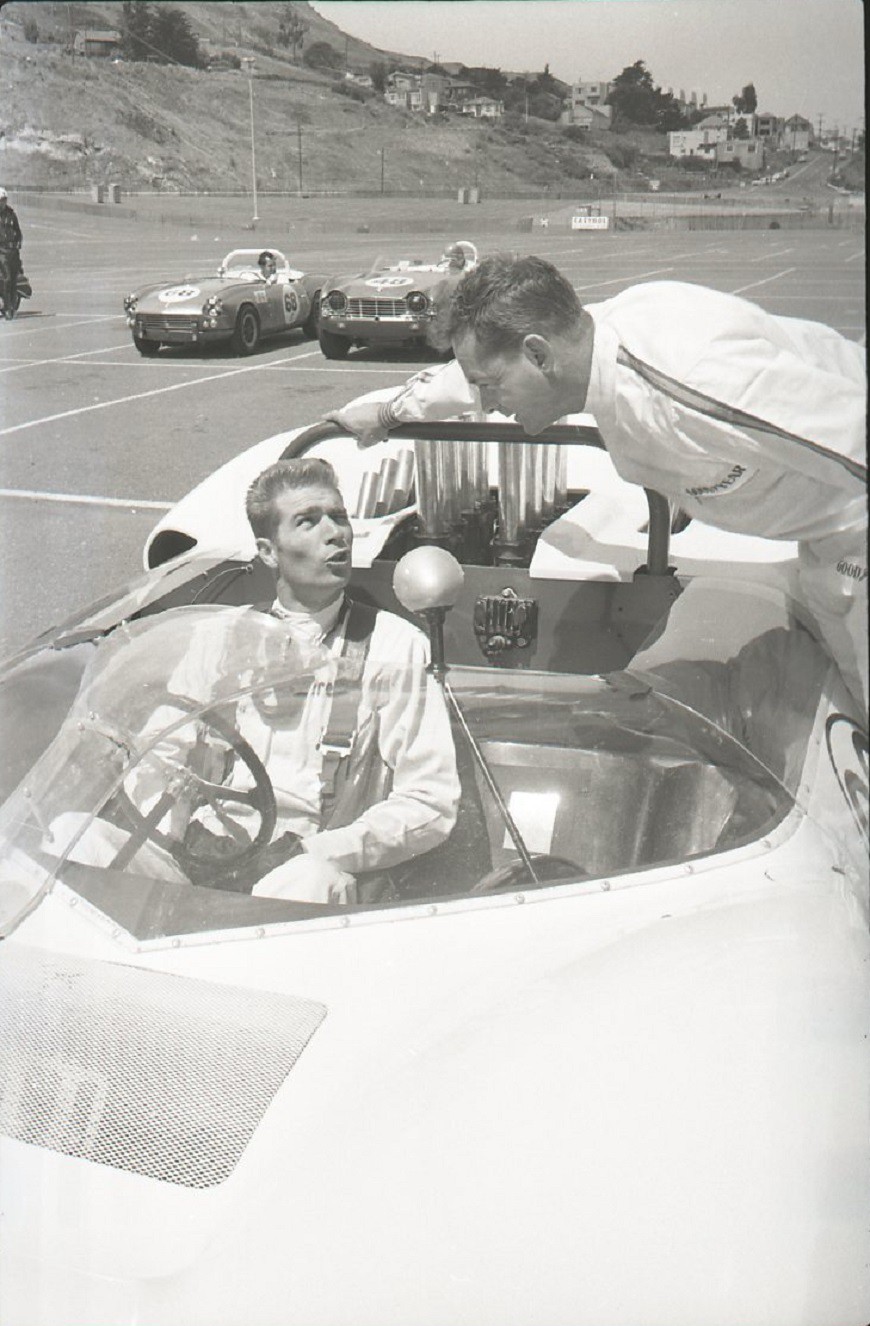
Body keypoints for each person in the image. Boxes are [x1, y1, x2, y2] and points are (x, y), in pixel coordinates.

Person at [327, 254, 867, 717]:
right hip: (823, 537)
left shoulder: (688, 377)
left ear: (539, 355)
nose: (488, 404)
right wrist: (389, 411)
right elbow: (470, 375)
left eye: (492, 388)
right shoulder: (584, 337)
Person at [71, 457, 460, 906]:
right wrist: (169, 841)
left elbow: (431, 801)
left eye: (338, 517)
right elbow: (162, 755)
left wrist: (317, 851)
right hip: (197, 856)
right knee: (77, 839)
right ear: (268, 551)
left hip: (302, 867)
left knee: (307, 883)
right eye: (308, 522)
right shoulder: (219, 636)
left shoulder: (395, 645)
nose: (335, 534)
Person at [0, 188, 23, 318]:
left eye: (4, 200)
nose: (2, 203)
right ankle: (7, 307)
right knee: (7, 278)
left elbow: (17, 231)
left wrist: (18, 243)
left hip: (12, 251)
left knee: (13, 279)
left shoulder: (11, 214)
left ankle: (12, 306)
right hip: (1, 250)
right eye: (1, 200)